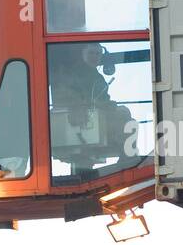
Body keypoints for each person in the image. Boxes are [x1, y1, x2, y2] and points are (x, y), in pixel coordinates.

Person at [47, 43, 134, 172]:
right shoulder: (73, 74)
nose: (95, 56)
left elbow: (103, 99)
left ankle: (127, 156)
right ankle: (128, 158)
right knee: (126, 118)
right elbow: (69, 95)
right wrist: (83, 105)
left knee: (124, 113)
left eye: (98, 54)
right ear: (83, 53)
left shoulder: (97, 76)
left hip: (96, 116)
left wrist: (108, 104)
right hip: (85, 118)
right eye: (91, 53)